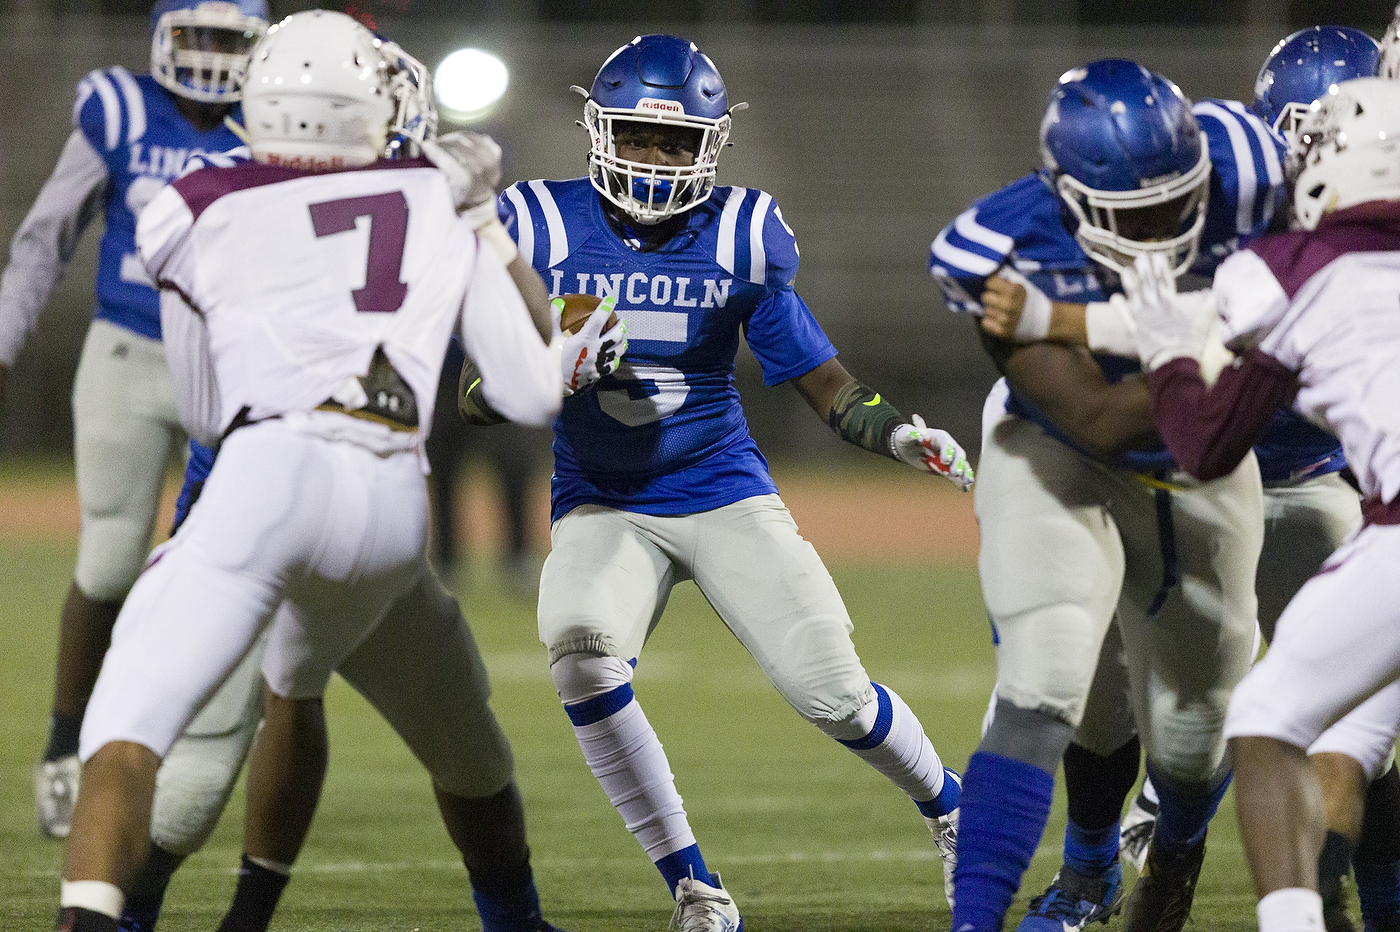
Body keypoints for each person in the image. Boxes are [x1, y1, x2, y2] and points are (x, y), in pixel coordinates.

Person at [53, 11, 614, 932]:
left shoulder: (194, 198)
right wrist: (490, 232)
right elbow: (528, 388)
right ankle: (516, 922)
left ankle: (99, 917)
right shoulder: (437, 191)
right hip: (392, 504)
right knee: (462, 743)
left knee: (126, 733)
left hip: (267, 479)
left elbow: (204, 413)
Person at [463, 33, 974, 932]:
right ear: (598, 132)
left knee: (836, 695)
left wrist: (899, 434)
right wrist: (547, 368)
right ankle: (695, 889)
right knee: (581, 656)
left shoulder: (741, 235)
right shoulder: (538, 223)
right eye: (637, 137)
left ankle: (950, 809)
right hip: (605, 501)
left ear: (712, 143)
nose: (654, 160)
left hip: (721, 489)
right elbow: (471, 399)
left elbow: (825, 382)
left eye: (674, 142)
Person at [929, 59, 1270, 932]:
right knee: (1043, 677)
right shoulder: (999, 244)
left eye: (1177, 205)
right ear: (1069, 197)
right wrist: (1216, 338)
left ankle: (1176, 856)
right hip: (1062, 444)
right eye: (1133, 217)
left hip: (1206, 455)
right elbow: (1098, 418)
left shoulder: (1257, 167)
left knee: (1198, 724)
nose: (1160, 233)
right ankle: (1006, 908)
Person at [1111, 27, 1400, 932]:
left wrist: (1161, 344)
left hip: (1326, 486)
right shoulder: (1217, 189)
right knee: (1343, 727)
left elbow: (1206, 429)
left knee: (1281, 718)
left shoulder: (1293, 265)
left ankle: (1311, 903)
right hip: (1243, 490)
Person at [0, 0, 268, 840]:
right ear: (163, 37)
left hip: (230, 368)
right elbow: (47, 235)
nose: (215, 59)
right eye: (200, 38)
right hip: (125, 351)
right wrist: (6, 341)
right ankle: (64, 746)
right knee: (112, 559)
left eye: (232, 41)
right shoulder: (117, 108)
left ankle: (176, 746)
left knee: (225, 564)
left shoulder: (276, 120)